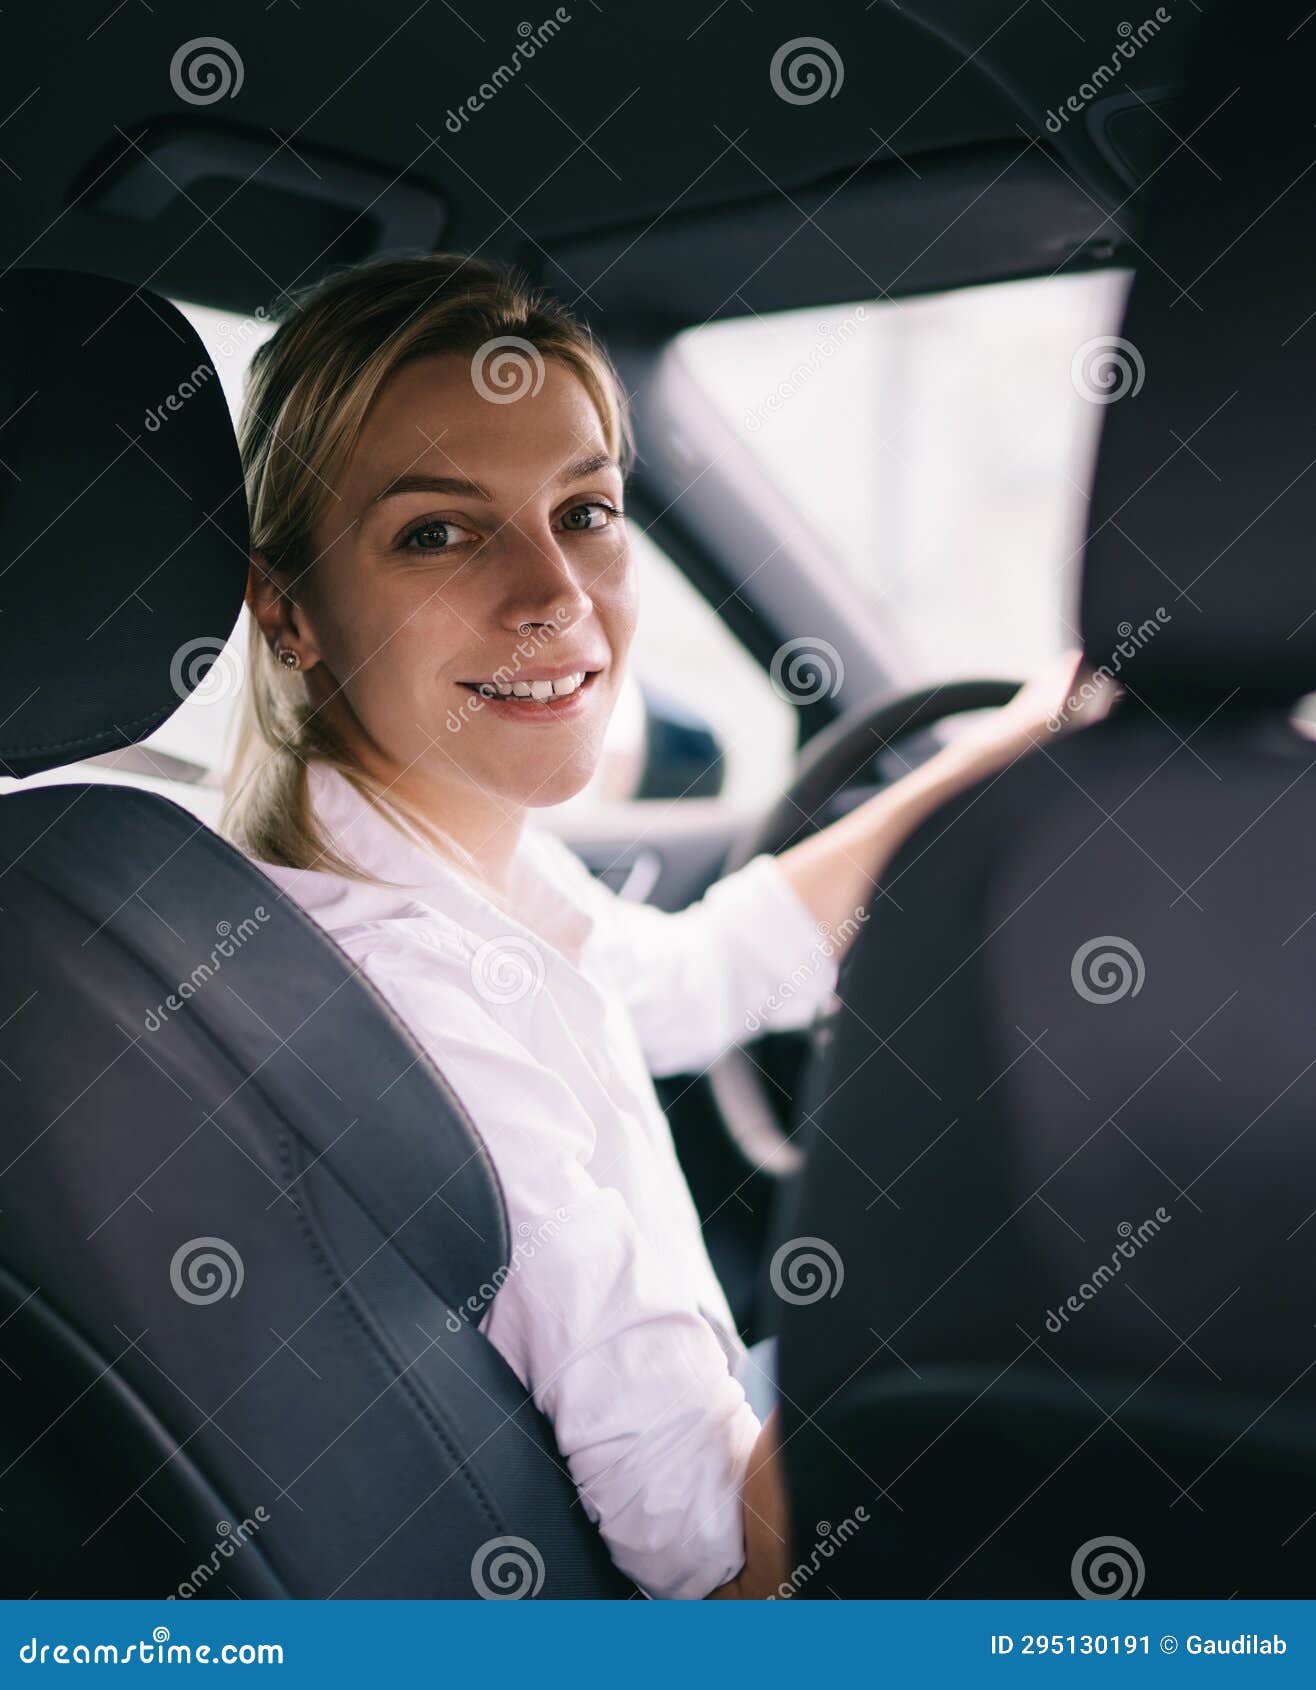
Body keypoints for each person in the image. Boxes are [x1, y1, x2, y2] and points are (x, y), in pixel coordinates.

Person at [221, 252, 1107, 1599]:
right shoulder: (413, 1000)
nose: (554, 593)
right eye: (439, 533)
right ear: (288, 611)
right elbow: (729, 1554)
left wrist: (1012, 748)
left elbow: (695, 976)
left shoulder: (425, 874)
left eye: (583, 510)